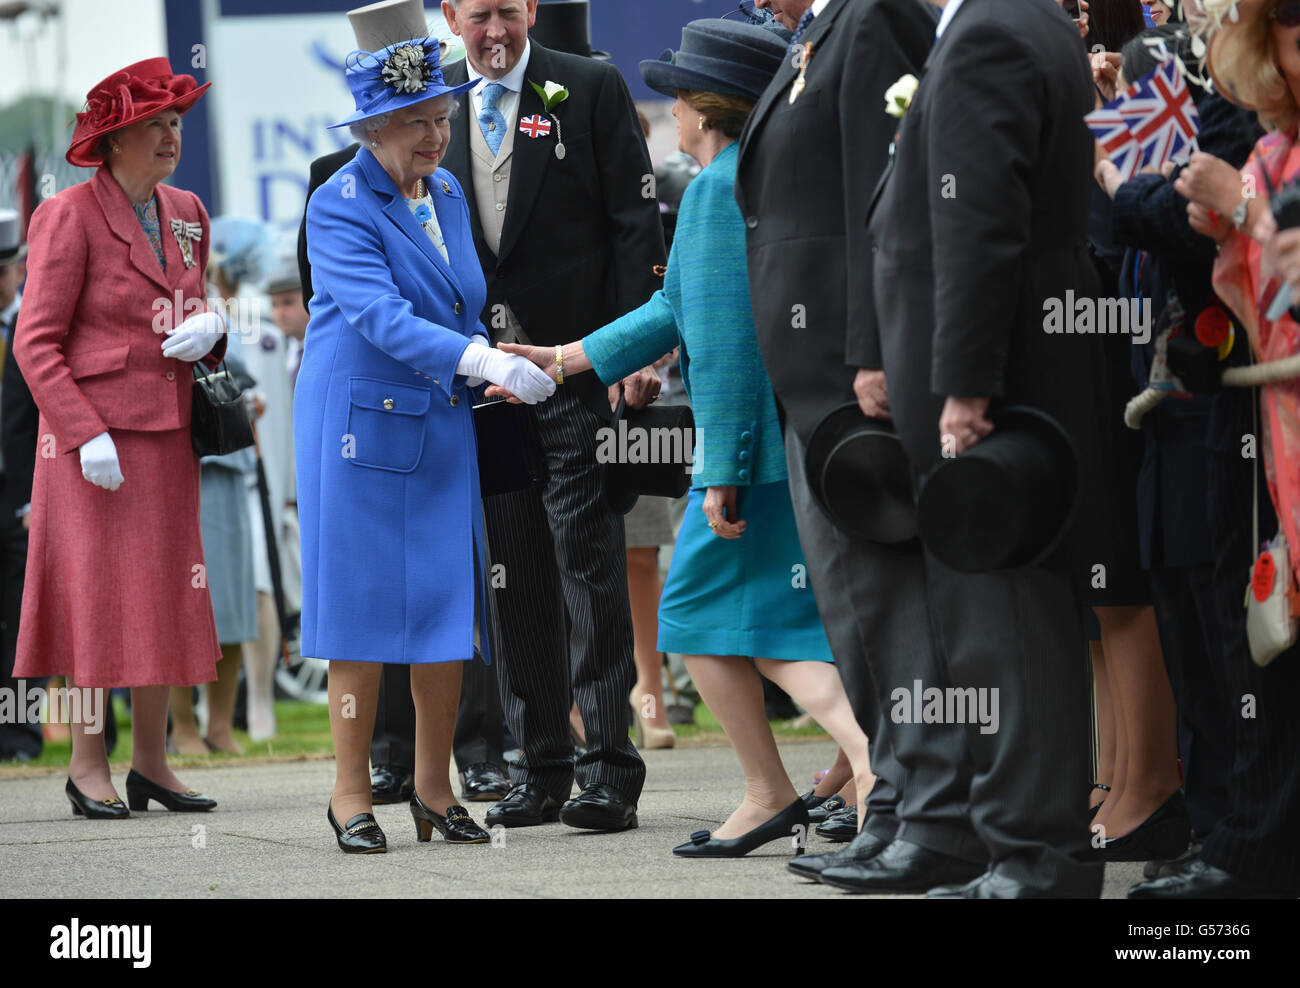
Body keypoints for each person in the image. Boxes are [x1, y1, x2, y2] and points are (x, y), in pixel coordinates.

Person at [497, 16, 875, 858]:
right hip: (798, 446)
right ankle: (824, 781)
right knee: (789, 626)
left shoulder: (711, 191)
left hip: (751, 454)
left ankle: (850, 767)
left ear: (710, 108)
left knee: (695, 618)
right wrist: (564, 359)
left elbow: (729, 342)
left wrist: (723, 470)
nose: (669, 113)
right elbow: (675, 311)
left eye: (678, 97)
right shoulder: (765, 174)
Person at [737, 0, 986, 890]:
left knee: (896, 610)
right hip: (810, 376)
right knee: (855, 612)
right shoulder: (818, 32)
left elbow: (877, 201)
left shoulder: (874, 17)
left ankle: (942, 818)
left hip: (851, 375)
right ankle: (894, 805)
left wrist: (870, 351)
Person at [863, 0, 1107, 897]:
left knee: (1003, 624)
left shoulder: (992, 31)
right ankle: (1024, 845)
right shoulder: (1029, 21)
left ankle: (1033, 854)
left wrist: (966, 386)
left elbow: (980, 222)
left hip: (993, 384)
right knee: (1013, 623)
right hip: (1019, 369)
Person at [299, 23, 554, 853]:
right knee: (362, 614)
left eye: (442, 118)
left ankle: (435, 789)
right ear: (372, 129)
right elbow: (379, 318)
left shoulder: (445, 192)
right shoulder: (336, 204)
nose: (436, 136)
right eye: (417, 121)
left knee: (448, 610)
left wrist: (494, 361)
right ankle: (348, 795)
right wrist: (476, 358)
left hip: (440, 421)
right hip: (359, 431)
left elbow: (459, 305)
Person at [437, 0, 667, 833]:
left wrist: (631, 351)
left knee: (590, 563)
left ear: (532, 9)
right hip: (486, 387)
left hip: (578, 374)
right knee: (514, 575)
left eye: (509, 10)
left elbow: (633, 222)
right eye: (478, 16)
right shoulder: (436, 107)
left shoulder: (590, 87)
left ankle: (610, 767)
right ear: (449, 16)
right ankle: (539, 766)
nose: (494, 31)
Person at [12, 58, 226, 816]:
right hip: (89, 447)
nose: (172, 137)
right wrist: (82, 432)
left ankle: (153, 764)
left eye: (176, 123)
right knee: (95, 604)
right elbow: (34, 343)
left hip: (167, 435)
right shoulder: (65, 216)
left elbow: (198, 305)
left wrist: (214, 327)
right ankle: (84, 763)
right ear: (113, 140)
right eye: (155, 126)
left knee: (164, 597)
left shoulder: (188, 209)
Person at [1142, 0, 1300, 898]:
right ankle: (1255, 851)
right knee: (1270, 644)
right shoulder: (1275, 152)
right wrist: (1231, 223)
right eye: (1284, 14)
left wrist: (1237, 206)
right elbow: (1261, 316)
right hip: (1281, 440)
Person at [0, 209, 40, 763]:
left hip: (25, 497)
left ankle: (22, 737)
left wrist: (37, 496)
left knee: (25, 621)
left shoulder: (36, 323)